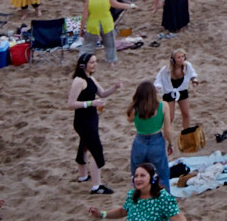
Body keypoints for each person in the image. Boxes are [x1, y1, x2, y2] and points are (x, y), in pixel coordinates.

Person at [69, 52, 121, 195]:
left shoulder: (90, 77)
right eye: (92, 62)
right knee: (96, 150)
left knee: (84, 146)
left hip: (91, 119)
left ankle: (83, 175)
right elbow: (71, 103)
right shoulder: (79, 81)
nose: (95, 64)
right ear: (83, 64)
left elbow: (102, 94)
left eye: (95, 62)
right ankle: (96, 186)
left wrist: (115, 88)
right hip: (83, 121)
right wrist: (91, 103)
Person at [86, 162, 184, 221]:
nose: (137, 179)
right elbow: (122, 212)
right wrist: (102, 214)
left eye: (142, 175)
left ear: (152, 178)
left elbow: (177, 218)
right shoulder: (133, 195)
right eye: (136, 176)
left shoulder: (163, 197)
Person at [125, 82, 174, 192]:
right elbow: (167, 130)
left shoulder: (135, 109)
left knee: (138, 176)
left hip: (140, 142)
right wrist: (171, 144)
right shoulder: (163, 106)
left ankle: (140, 202)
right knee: (162, 176)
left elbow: (129, 119)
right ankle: (165, 203)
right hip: (156, 141)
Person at [82, 0, 135, 67]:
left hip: (93, 25)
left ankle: (84, 61)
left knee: (88, 44)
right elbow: (119, 5)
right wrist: (131, 6)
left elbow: (84, 17)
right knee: (110, 44)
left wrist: (81, 29)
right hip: (106, 24)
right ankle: (111, 62)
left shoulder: (89, 1)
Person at [153, 50, 198, 133]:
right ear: (173, 60)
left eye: (183, 56)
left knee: (186, 114)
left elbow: (193, 75)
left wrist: (194, 82)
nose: (181, 59)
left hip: (182, 90)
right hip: (169, 92)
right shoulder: (165, 70)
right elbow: (158, 81)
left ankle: (186, 133)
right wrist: (158, 88)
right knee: (169, 117)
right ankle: (167, 134)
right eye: (178, 57)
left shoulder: (187, 66)